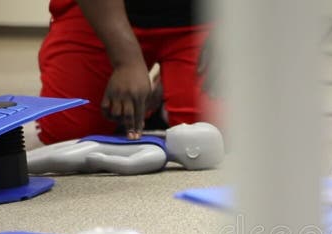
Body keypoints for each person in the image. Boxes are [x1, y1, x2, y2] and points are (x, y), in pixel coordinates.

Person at [36, 0, 215, 145]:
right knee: (67, 135)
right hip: (100, 12)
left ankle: (165, 98)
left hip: (203, 12)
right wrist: (126, 62)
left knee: (211, 133)